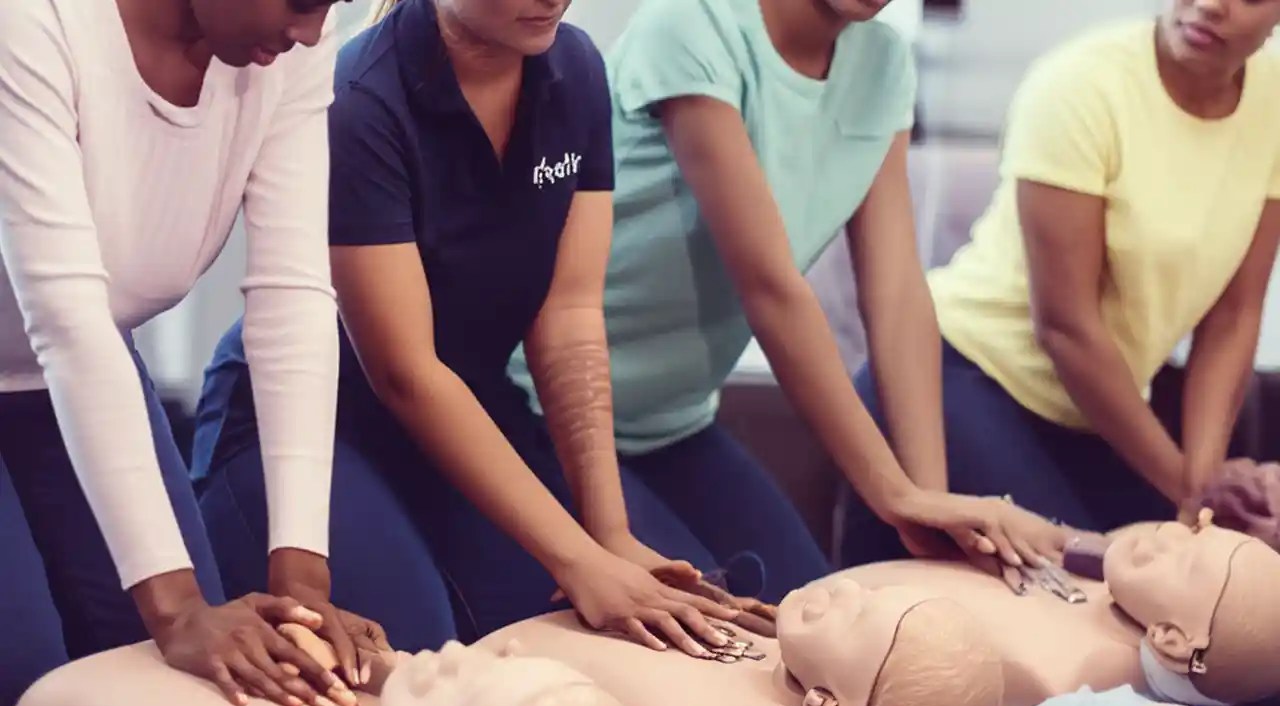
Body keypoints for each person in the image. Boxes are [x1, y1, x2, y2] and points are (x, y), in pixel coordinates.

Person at [191, 0, 741, 658]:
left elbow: (567, 317)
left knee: (672, 615)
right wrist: (577, 561)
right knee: (416, 656)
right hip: (308, 428)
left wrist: (609, 533)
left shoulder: (576, 68)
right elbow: (406, 373)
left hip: (469, 412)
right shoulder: (359, 98)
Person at [508, 0, 1067, 593]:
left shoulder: (882, 64)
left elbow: (897, 290)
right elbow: (769, 286)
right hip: (534, 407)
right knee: (716, 634)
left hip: (672, 424)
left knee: (812, 608)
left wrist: (933, 502)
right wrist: (894, 493)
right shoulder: (692, 22)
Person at [0, 0, 389, 706]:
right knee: (24, 673)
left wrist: (303, 586)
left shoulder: (290, 49)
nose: (311, 32)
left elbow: (293, 294)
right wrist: (177, 610)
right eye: (301, 4)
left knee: (187, 686)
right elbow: (67, 318)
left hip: (78, 369)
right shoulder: (31, 21)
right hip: (69, 342)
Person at [846, 0, 1280, 566]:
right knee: (1097, 592)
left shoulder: (1271, 102)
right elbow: (1067, 327)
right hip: (960, 377)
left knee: (1198, 581)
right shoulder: (1080, 84)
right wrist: (1190, 492)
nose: (1210, 5)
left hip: (1096, 422)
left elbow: (1234, 315)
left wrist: (1200, 489)